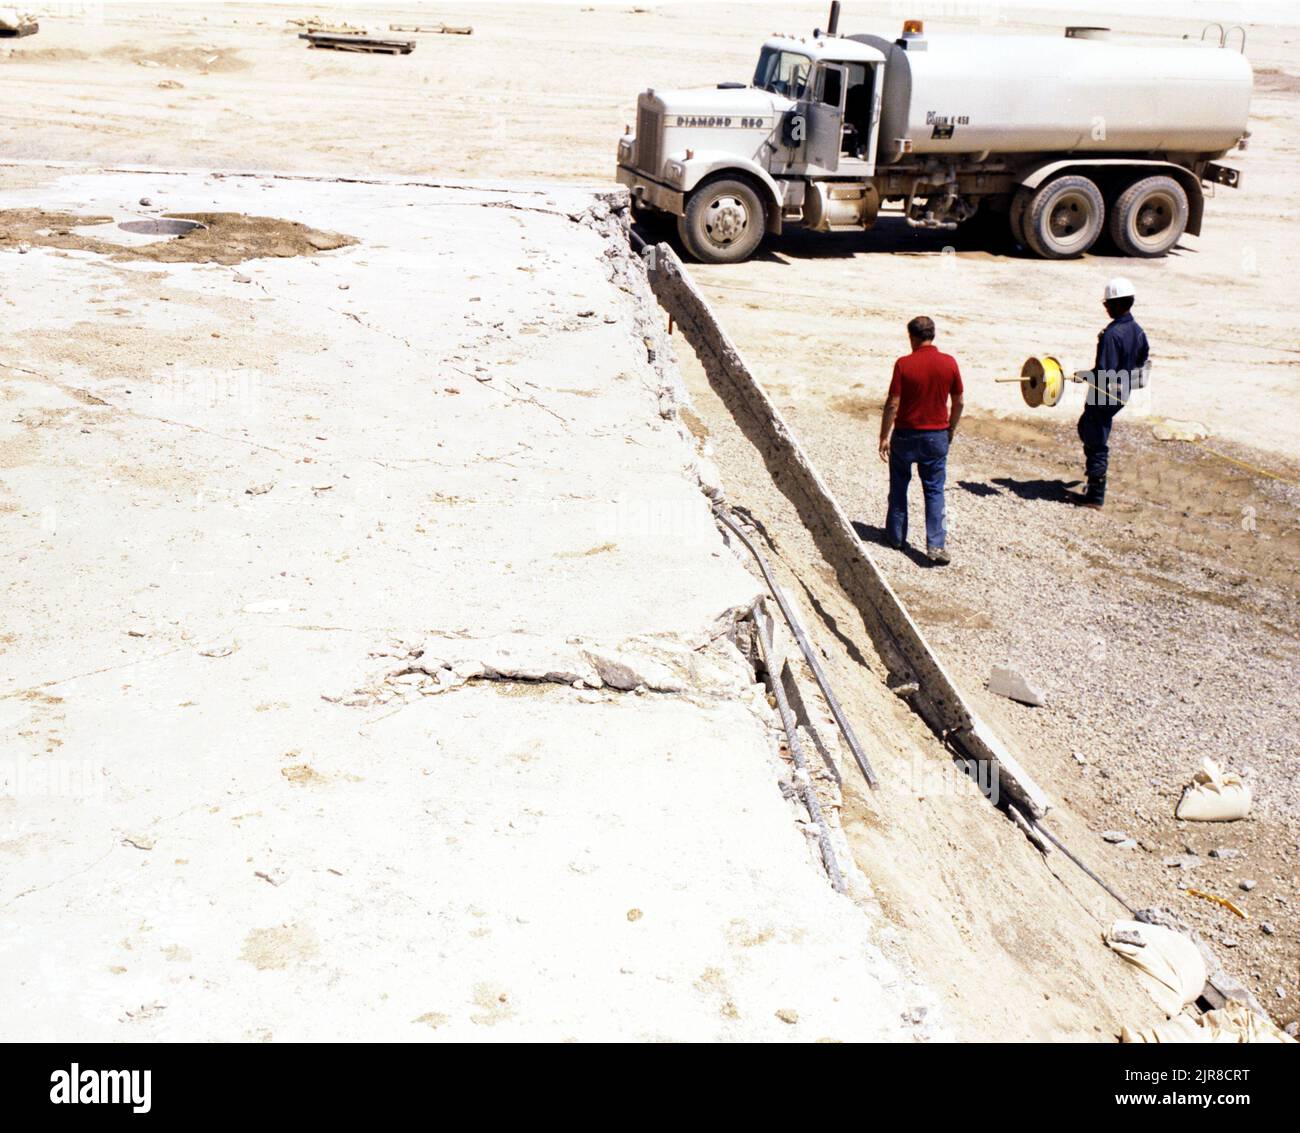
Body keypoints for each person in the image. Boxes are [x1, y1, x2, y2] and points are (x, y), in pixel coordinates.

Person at [878, 316, 963, 564]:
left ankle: (895, 537)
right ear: (932, 335)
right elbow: (958, 401)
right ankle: (936, 546)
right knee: (935, 491)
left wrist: (884, 435)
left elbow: (893, 403)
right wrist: (951, 429)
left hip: (905, 434)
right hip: (937, 435)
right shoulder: (949, 363)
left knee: (899, 486)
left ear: (912, 337)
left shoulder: (904, 364)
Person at [1074, 277, 1149, 510]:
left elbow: (1104, 374)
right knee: (1086, 428)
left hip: (1103, 395)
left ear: (1117, 304)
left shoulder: (1111, 335)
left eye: (1107, 303)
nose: (1105, 307)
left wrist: (1084, 375)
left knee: (1095, 440)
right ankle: (1093, 484)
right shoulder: (1137, 330)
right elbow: (1142, 358)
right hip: (1122, 392)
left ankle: (1095, 495)